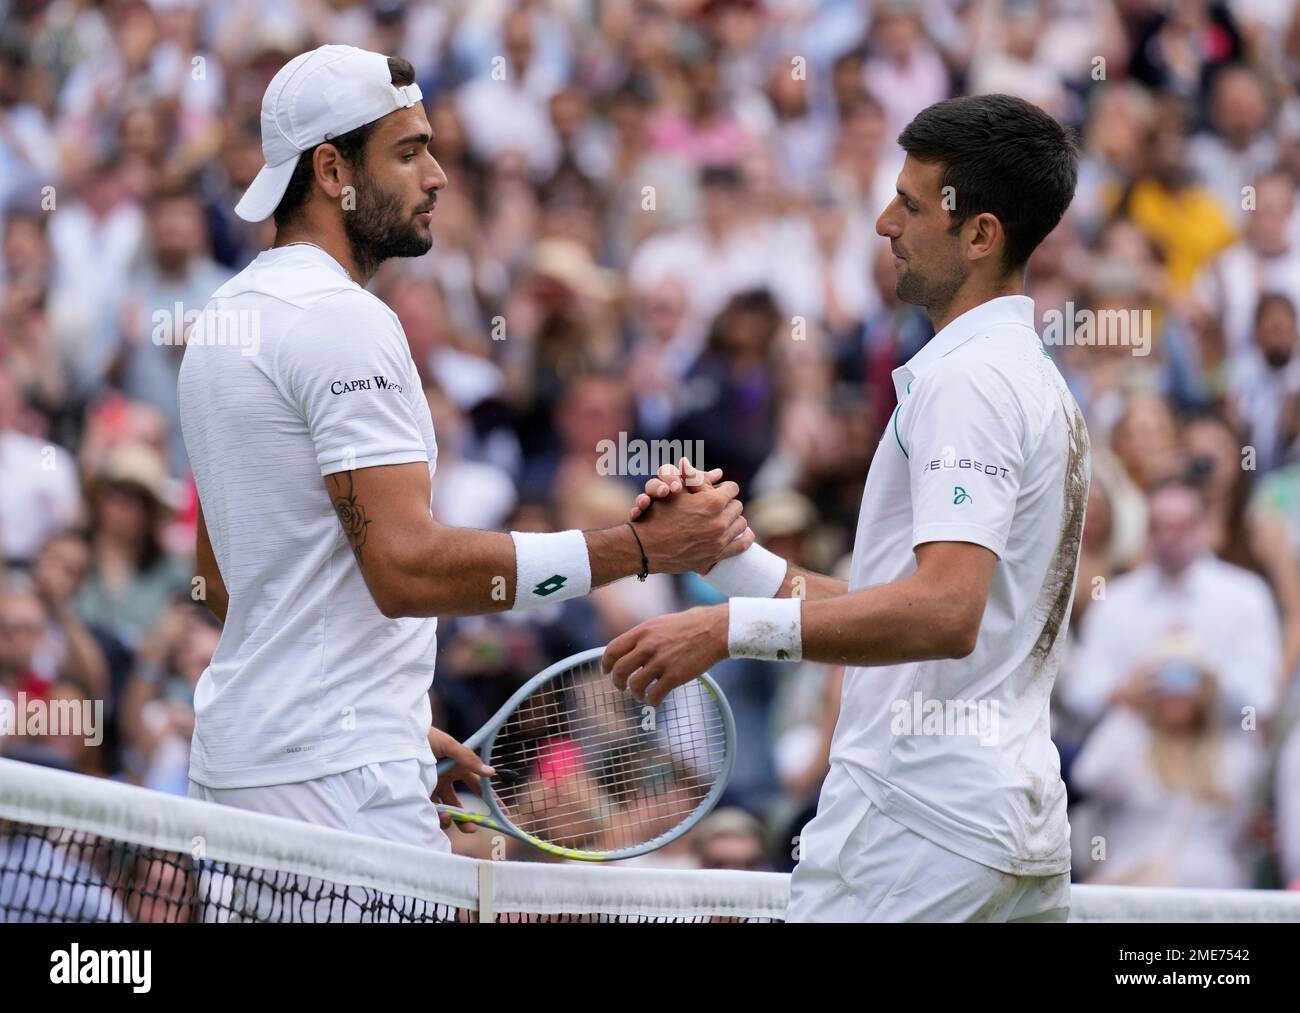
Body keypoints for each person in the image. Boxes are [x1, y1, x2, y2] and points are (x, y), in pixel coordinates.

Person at [176, 45, 751, 852]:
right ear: (333, 169)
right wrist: (639, 549)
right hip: (333, 789)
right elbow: (405, 568)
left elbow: (222, 580)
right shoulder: (343, 319)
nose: (438, 175)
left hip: (243, 769)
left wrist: (381, 727)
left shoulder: (222, 321)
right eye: (408, 152)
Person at [604, 93, 1087, 922]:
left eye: (907, 203)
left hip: (919, 828)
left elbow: (943, 613)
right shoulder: (1028, 376)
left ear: (980, 234)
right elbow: (900, 609)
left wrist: (726, 629)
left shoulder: (966, 379)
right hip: (1001, 826)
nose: (883, 223)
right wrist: (727, 562)